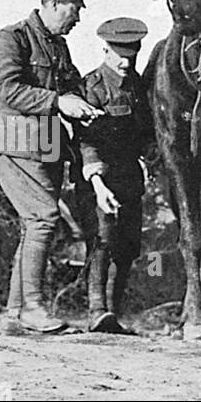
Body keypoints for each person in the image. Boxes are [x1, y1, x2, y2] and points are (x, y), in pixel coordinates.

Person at [0, 0, 100, 334]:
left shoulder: (57, 46)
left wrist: (85, 101)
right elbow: (8, 90)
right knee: (43, 219)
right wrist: (58, 102)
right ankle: (32, 309)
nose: (78, 18)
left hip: (47, 147)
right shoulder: (12, 38)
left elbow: (71, 85)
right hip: (15, 143)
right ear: (52, 3)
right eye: (74, 9)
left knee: (35, 225)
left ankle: (15, 312)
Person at [73, 17, 151, 335]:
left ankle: (114, 313)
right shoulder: (90, 87)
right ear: (105, 49)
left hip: (129, 175)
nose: (125, 61)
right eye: (119, 54)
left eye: (131, 54)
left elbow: (147, 130)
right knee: (102, 240)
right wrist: (98, 183)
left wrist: (148, 161)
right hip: (97, 178)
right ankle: (96, 311)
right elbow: (84, 141)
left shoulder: (139, 87)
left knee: (129, 245)